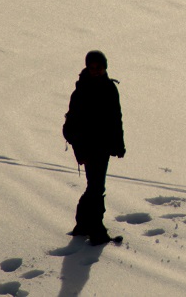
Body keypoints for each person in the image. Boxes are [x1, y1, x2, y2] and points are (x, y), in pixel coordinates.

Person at [62, 50, 126, 245]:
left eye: (99, 67)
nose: (96, 71)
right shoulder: (81, 91)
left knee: (95, 186)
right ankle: (96, 230)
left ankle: (82, 225)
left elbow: (116, 119)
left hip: (104, 147)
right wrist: (79, 148)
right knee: (97, 187)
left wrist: (119, 144)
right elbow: (70, 125)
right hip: (88, 148)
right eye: (93, 67)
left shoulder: (110, 88)